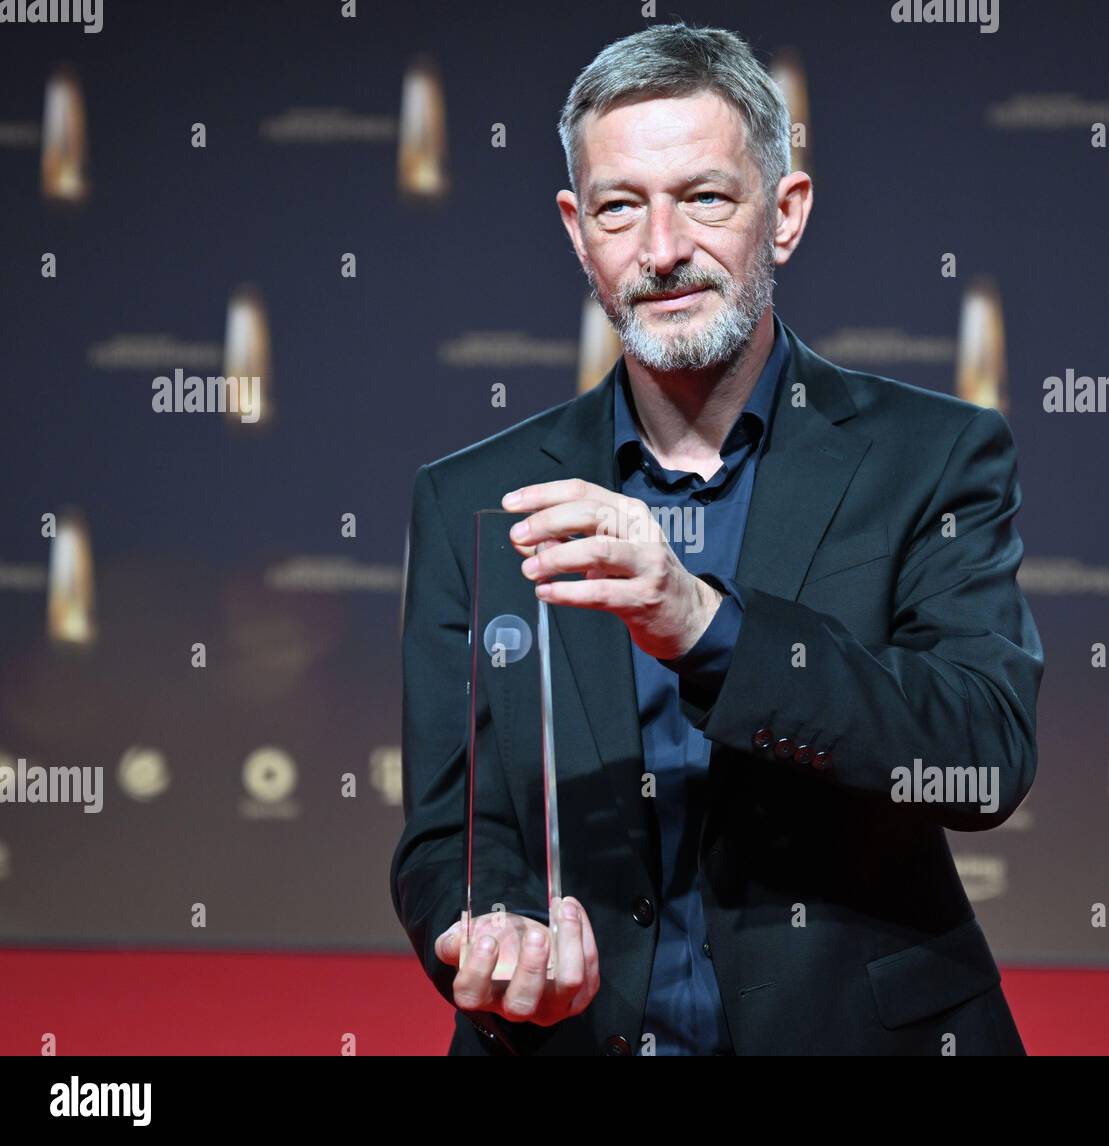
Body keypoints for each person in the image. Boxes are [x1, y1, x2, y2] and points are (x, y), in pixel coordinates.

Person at [390, 21, 1044, 1055]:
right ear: (576, 231)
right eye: (619, 208)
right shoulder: (473, 498)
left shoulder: (934, 454)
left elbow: (980, 757)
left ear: (782, 213)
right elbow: (451, 830)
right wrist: (498, 930)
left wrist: (701, 623)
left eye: (704, 198)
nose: (661, 250)